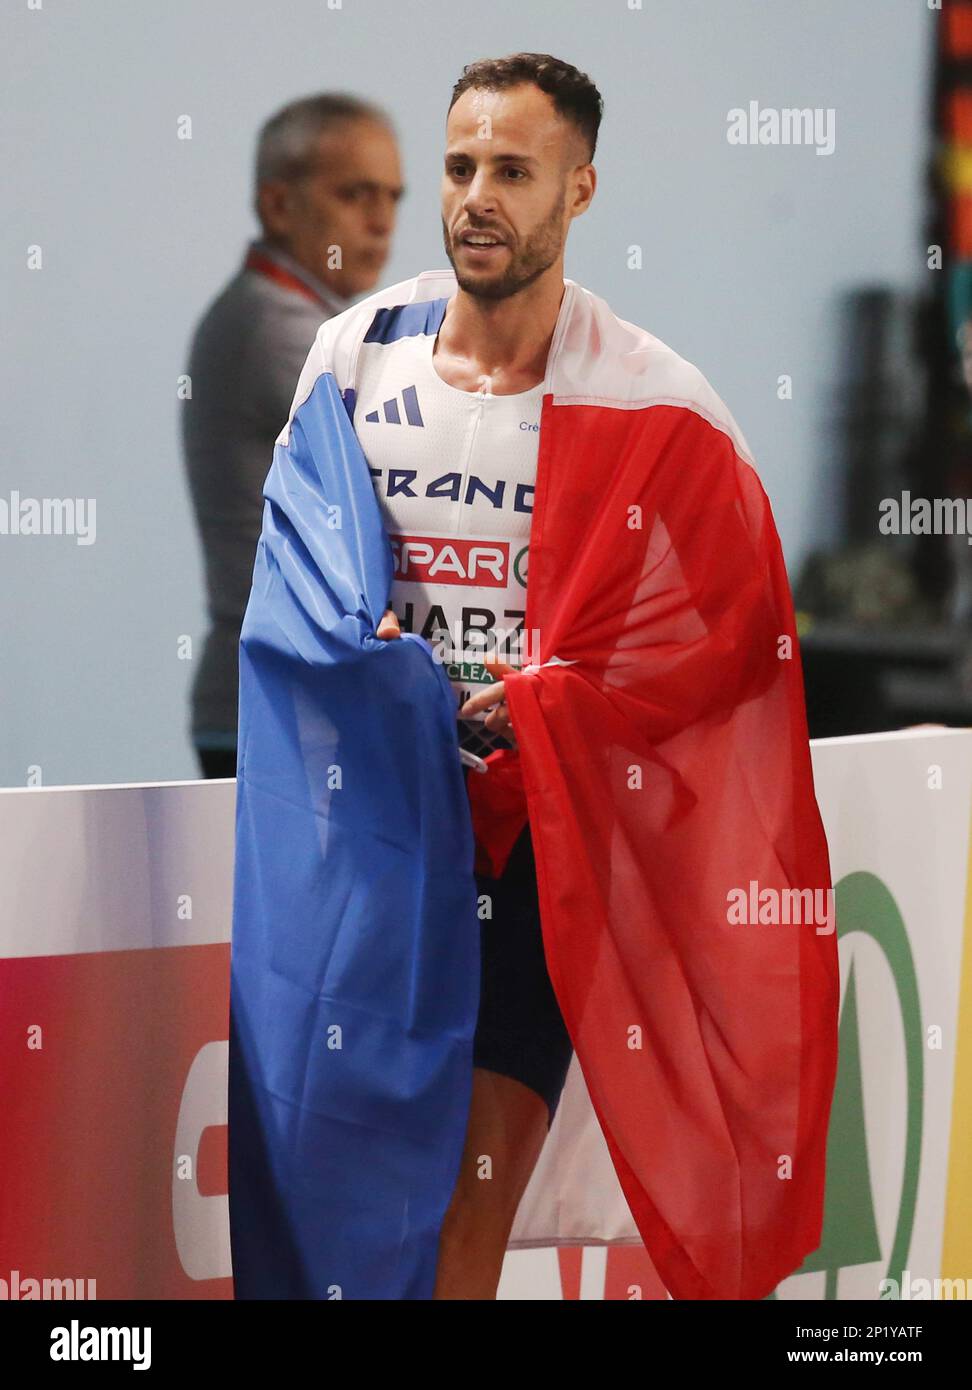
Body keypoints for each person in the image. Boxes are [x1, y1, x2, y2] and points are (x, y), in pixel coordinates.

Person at [227, 53, 839, 1303]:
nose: (476, 198)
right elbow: (286, 594)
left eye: (514, 171)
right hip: (375, 851)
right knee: (346, 1209)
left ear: (582, 190)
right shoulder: (352, 363)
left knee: (464, 1209)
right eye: (460, 167)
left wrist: (562, 696)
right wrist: (376, 677)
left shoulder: (656, 400)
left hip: (531, 852)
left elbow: (730, 648)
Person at [182, 93, 403, 777]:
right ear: (278, 205)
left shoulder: (292, 319)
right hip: (280, 708)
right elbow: (422, 468)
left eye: (393, 197)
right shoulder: (277, 330)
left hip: (283, 701)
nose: (381, 221)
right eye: (354, 193)